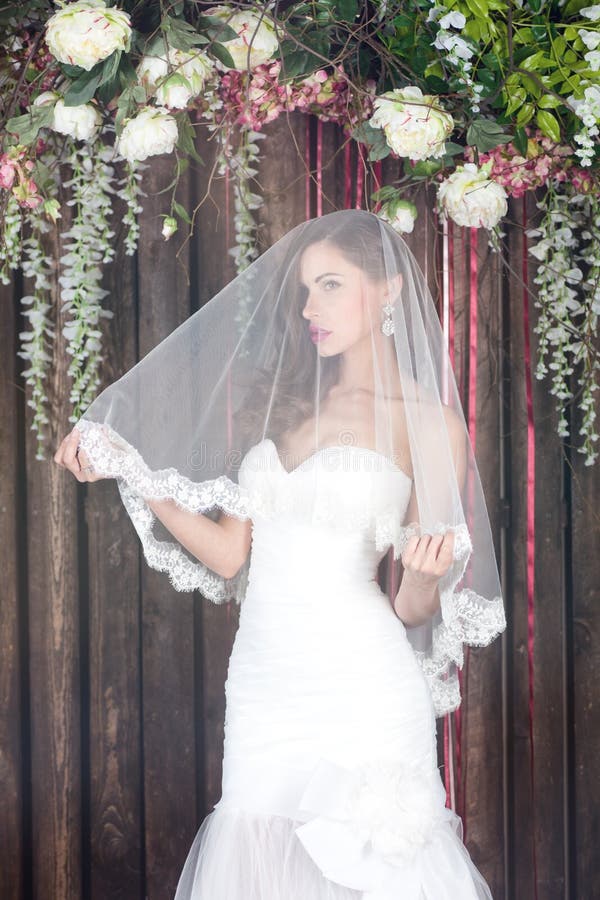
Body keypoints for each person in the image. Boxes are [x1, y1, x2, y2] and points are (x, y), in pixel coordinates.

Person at [54, 209, 505, 898]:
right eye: (304, 291)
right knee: (255, 850)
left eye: (330, 285)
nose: (309, 308)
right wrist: (131, 471)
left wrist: (424, 577)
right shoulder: (286, 405)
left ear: (388, 290)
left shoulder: (428, 422)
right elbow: (230, 555)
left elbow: (413, 606)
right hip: (264, 683)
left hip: (364, 682)